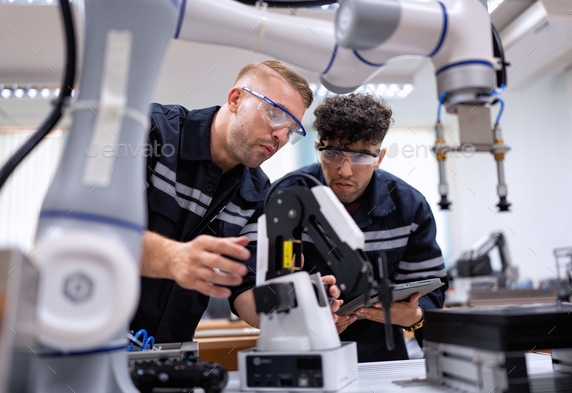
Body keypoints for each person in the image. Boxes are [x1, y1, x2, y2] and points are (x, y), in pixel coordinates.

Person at [131, 60, 335, 343]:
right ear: (236, 99)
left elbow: (246, 293)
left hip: (168, 356)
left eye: (291, 130)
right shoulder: (151, 134)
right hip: (89, 340)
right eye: (276, 114)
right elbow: (95, 231)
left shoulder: (258, 193)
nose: (280, 136)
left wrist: (297, 303)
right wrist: (173, 257)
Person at [236, 93, 448, 362]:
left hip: (382, 360)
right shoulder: (286, 199)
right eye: (333, 153)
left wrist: (414, 317)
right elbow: (250, 285)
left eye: (361, 156)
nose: (345, 171)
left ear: (379, 157)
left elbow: (430, 289)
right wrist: (304, 320)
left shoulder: (408, 206)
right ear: (317, 149)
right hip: (304, 357)